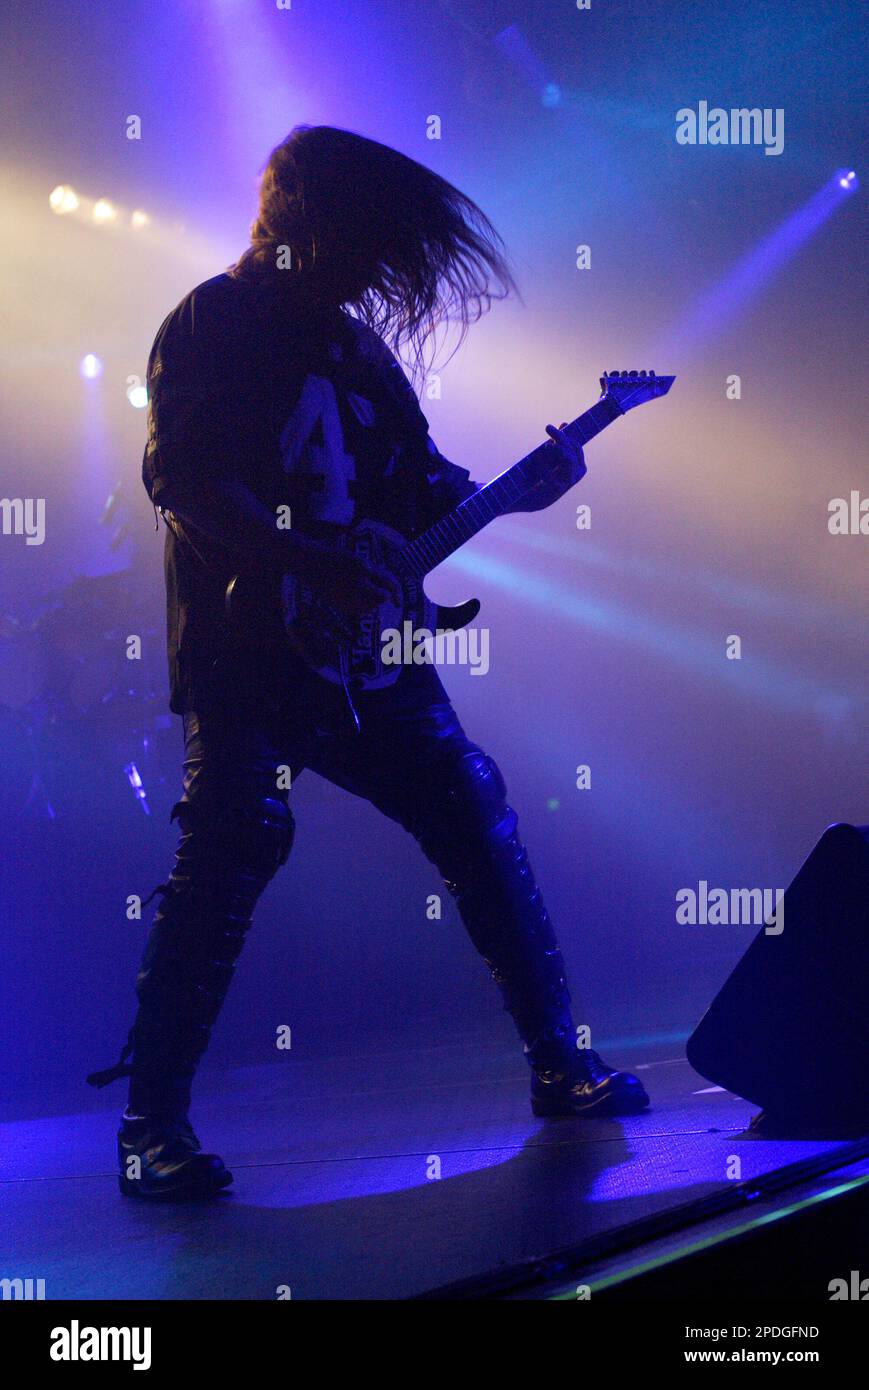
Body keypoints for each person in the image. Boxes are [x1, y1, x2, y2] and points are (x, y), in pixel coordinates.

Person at [88, 126, 648, 1199]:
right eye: (360, 242)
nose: (376, 271)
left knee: (471, 809)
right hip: (248, 654)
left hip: (368, 655)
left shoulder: (354, 348)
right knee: (232, 848)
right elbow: (188, 486)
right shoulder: (211, 322)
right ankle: (148, 1123)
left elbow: (421, 484)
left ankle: (556, 1063)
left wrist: (518, 488)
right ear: (302, 222)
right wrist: (311, 561)